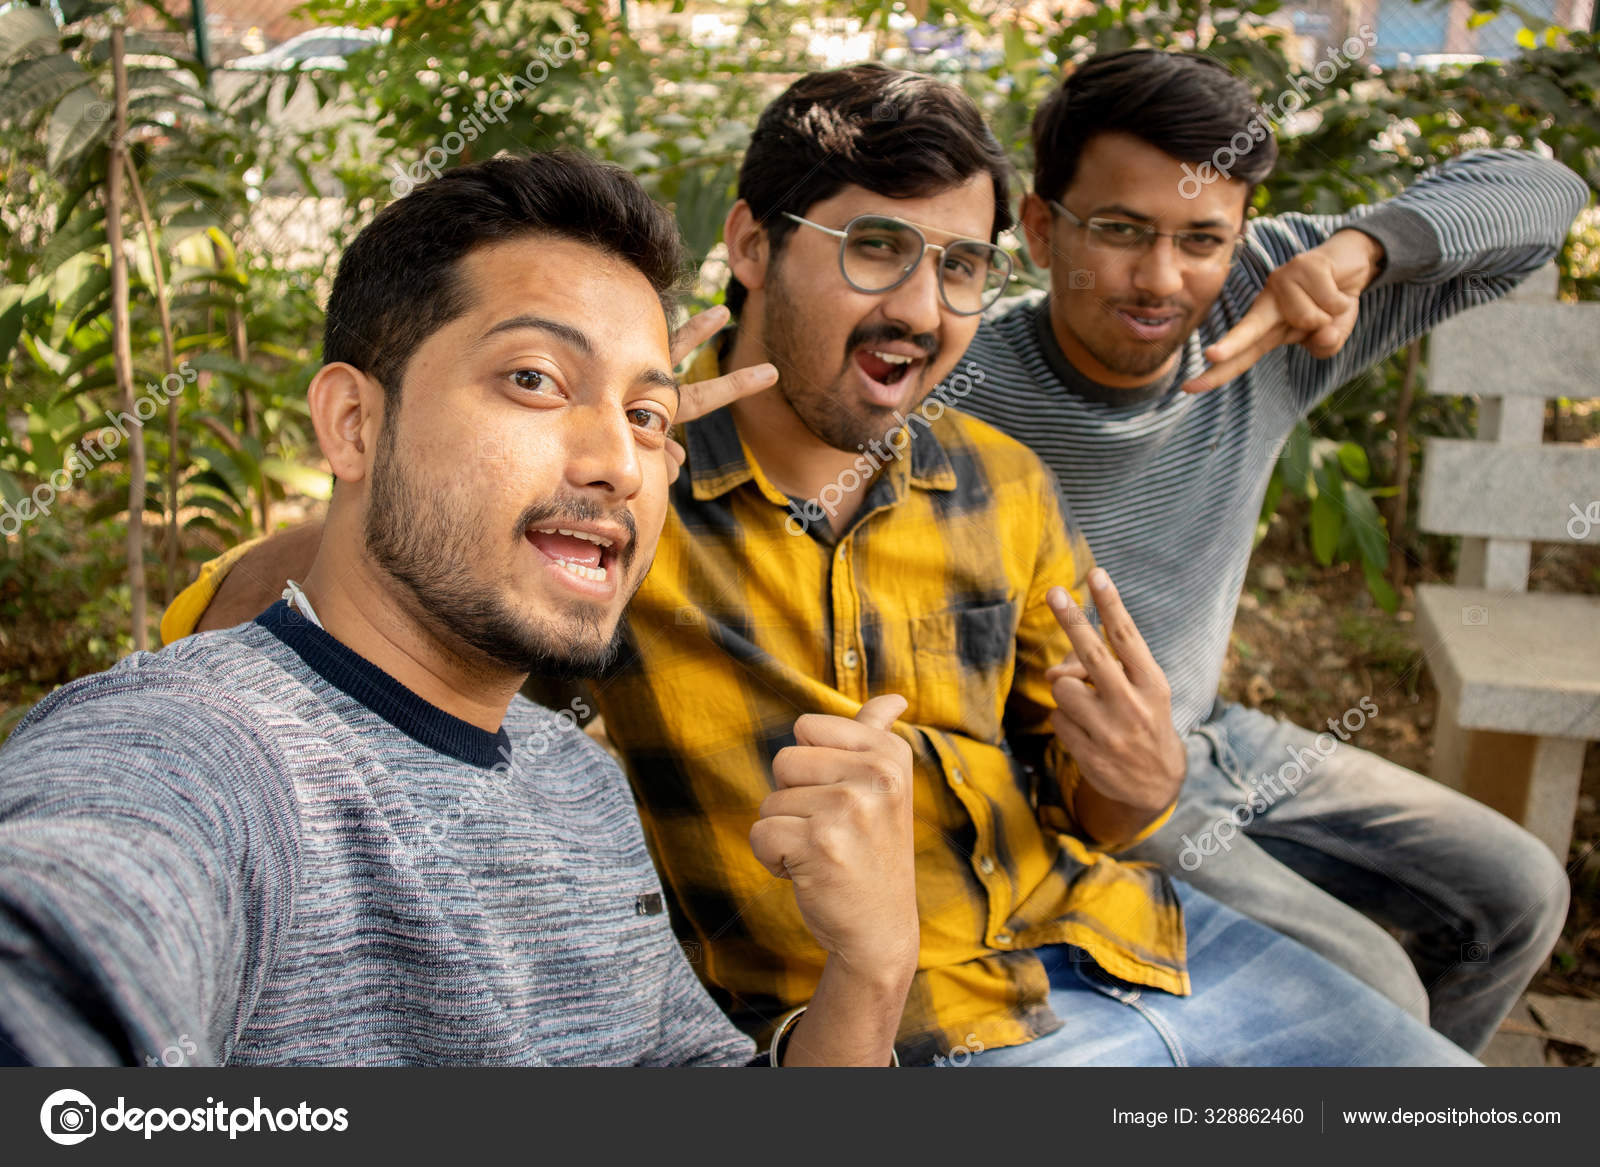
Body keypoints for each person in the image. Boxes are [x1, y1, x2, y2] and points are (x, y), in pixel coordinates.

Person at [168, 66, 1478, 1068]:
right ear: (750, 247)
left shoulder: (1000, 483)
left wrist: (1134, 781)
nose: (919, 305)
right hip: (902, 1037)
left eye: (960, 266)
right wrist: (523, 465)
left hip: (1136, 949)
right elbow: (274, 628)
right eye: (872, 250)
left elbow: (1072, 782)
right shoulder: (623, 508)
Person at [0, 151, 921, 1067]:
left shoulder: (579, 782)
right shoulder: (202, 750)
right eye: (533, 379)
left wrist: (870, 972)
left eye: (648, 415)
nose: (620, 463)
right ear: (354, 423)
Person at [951, 48, 1589, 1055]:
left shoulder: (1266, 311)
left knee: (1515, 895)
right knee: (1372, 981)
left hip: (1215, 739)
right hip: (1070, 788)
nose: (1161, 279)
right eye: (1118, 231)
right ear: (1039, 227)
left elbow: (1545, 193)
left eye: (1202, 237)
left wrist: (1359, 253)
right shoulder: (960, 383)